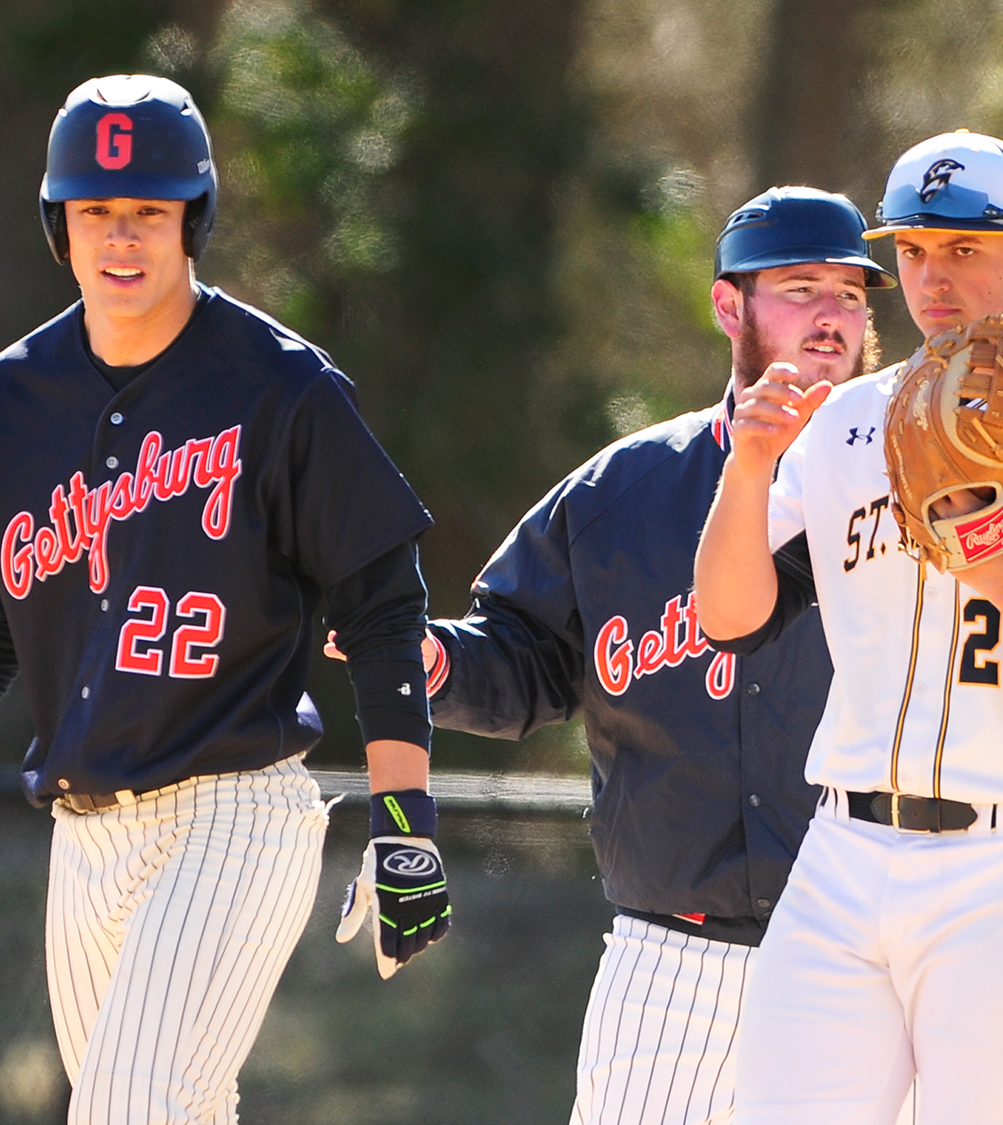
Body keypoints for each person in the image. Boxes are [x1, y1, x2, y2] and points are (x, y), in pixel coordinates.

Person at [0, 74, 447, 1124]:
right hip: (82, 833)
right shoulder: (15, 394)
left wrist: (406, 817)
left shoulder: (281, 385)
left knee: (132, 1107)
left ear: (191, 222)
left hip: (233, 809)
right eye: (95, 211)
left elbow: (382, 600)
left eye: (148, 212)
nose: (120, 237)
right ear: (59, 226)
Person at [346, 187, 889, 1125]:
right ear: (729, 306)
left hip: (860, 951)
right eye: (801, 288)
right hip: (672, 963)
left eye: (850, 293)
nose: (832, 316)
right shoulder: (622, 493)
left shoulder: (910, 480)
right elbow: (525, 657)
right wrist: (432, 661)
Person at [697, 130, 1003, 1125]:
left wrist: (1002, 573)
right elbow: (726, 615)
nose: (933, 278)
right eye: (914, 249)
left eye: (964, 248)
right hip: (841, 853)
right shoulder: (849, 418)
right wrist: (748, 467)